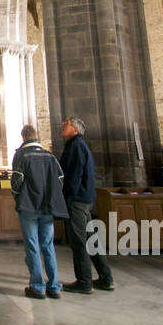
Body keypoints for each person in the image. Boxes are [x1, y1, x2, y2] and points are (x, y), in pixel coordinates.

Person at [10, 125, 69, 300]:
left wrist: (19, 198)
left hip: (29, 207)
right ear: (36, 137)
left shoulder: (22, 155)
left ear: (23, 137)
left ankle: (37, 286)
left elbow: (16, 181)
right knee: (48, 245)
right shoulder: (49, 156)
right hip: (47, 207)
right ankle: (54, 286)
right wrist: (51, 197)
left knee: (32, 245)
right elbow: (60, 179)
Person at [59, 116, 114, 294]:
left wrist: (66, 196)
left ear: (75, 129)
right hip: (85, 199)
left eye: (66, 124)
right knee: (91, 240)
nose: (63, 126)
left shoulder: (75, 146)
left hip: (77, 200)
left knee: (79, 241)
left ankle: (84, 281)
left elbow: (73, 175)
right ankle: (106, 278)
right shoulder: (79, 145)